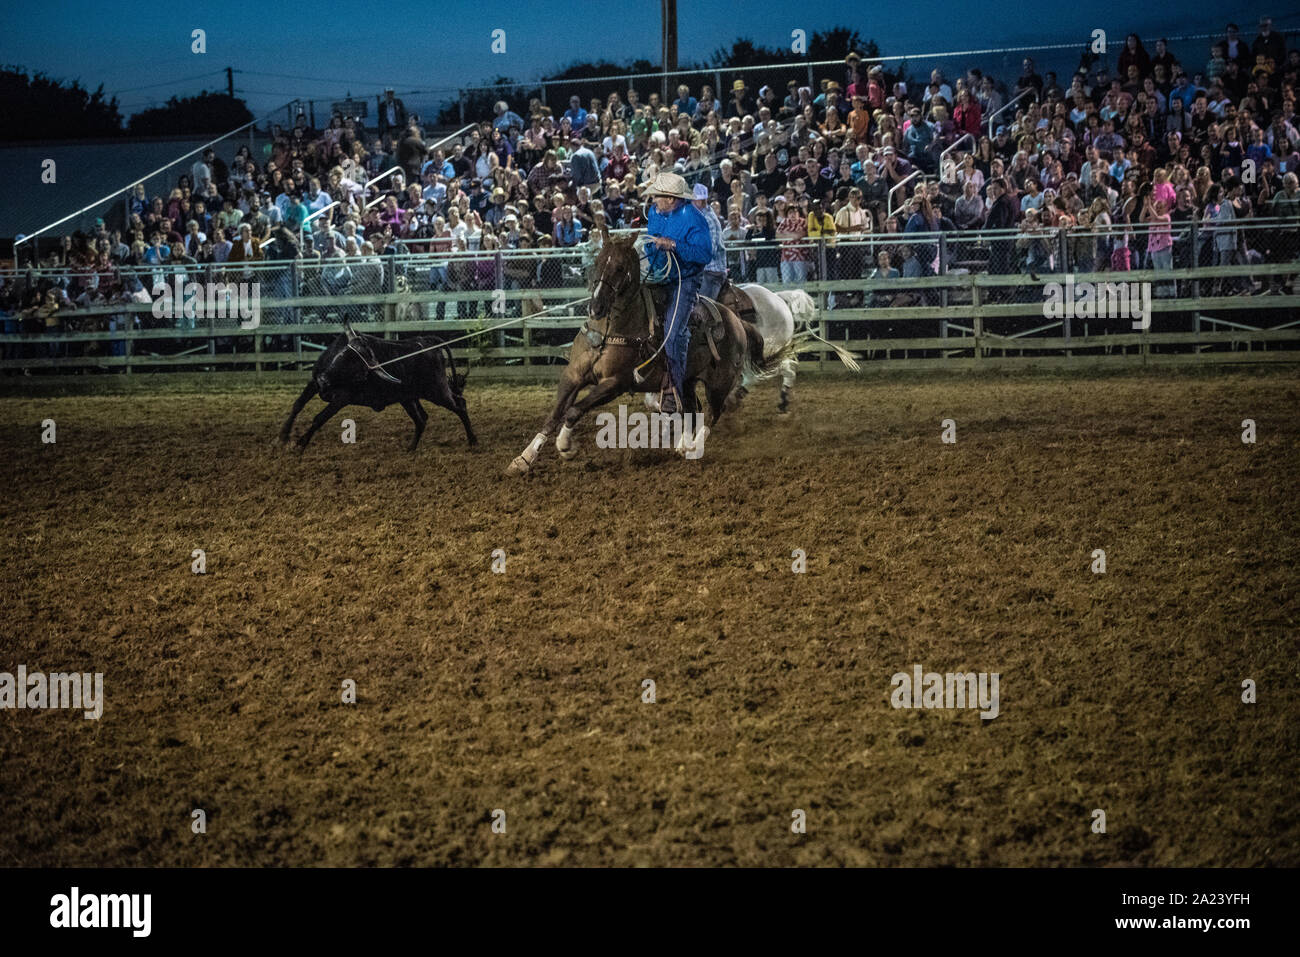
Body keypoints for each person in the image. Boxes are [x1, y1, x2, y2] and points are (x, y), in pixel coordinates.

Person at [642, 172, 712, 413]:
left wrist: (674, 245)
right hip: (659, 274)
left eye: (658, 196)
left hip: (685, 280)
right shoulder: (655, 212)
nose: (653, 200)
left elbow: (704, 255)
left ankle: (675, 391)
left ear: (671, 198)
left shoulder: (695, 219)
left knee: (673, 333)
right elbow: (650, 242)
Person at [692, 183, 727, 300]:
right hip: (703, 271)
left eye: (693, 200)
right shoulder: (701, 217)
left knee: (701, 310)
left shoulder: (708, 220)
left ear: (701, 201)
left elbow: (709, 251)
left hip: (712, 272)